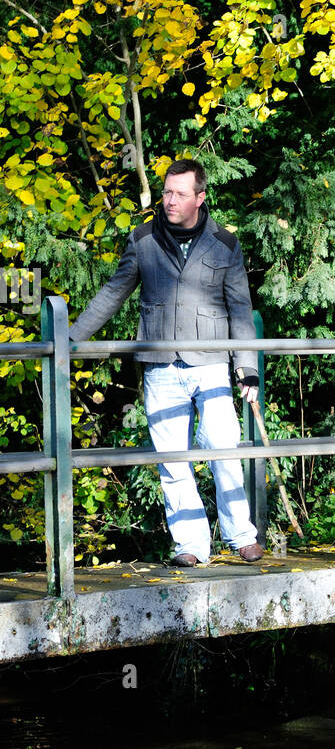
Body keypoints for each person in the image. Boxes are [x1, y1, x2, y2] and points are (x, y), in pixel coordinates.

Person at [69, 159, 265, 567]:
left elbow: (241, 311)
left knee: (224, 450)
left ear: (200, 197)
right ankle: (190, 545)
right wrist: (69, 338)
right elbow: (112, 293)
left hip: (211, 363)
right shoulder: (143, 240)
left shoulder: (225, 244)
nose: (169, 200)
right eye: (166, 192)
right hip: (159, 367)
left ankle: (241, 536)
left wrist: (245, 367)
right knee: (172, 460)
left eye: (179, 193)